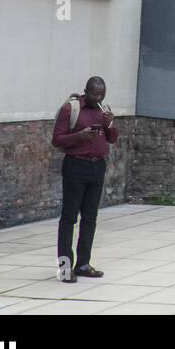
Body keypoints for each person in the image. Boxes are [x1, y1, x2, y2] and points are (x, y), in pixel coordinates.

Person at [52, 76, 116, 282]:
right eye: (95, 94)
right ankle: (64, 267)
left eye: (102, 95)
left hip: (97, 166)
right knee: (69, 217)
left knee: (90, 218)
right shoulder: (70, 109)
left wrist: (109, 124)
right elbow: (57, 140)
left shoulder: (103, 110)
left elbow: (112, 138)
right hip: (75, 164)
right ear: (85, 91)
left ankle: (83, 264)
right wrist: (81, 136)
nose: (98, 98)